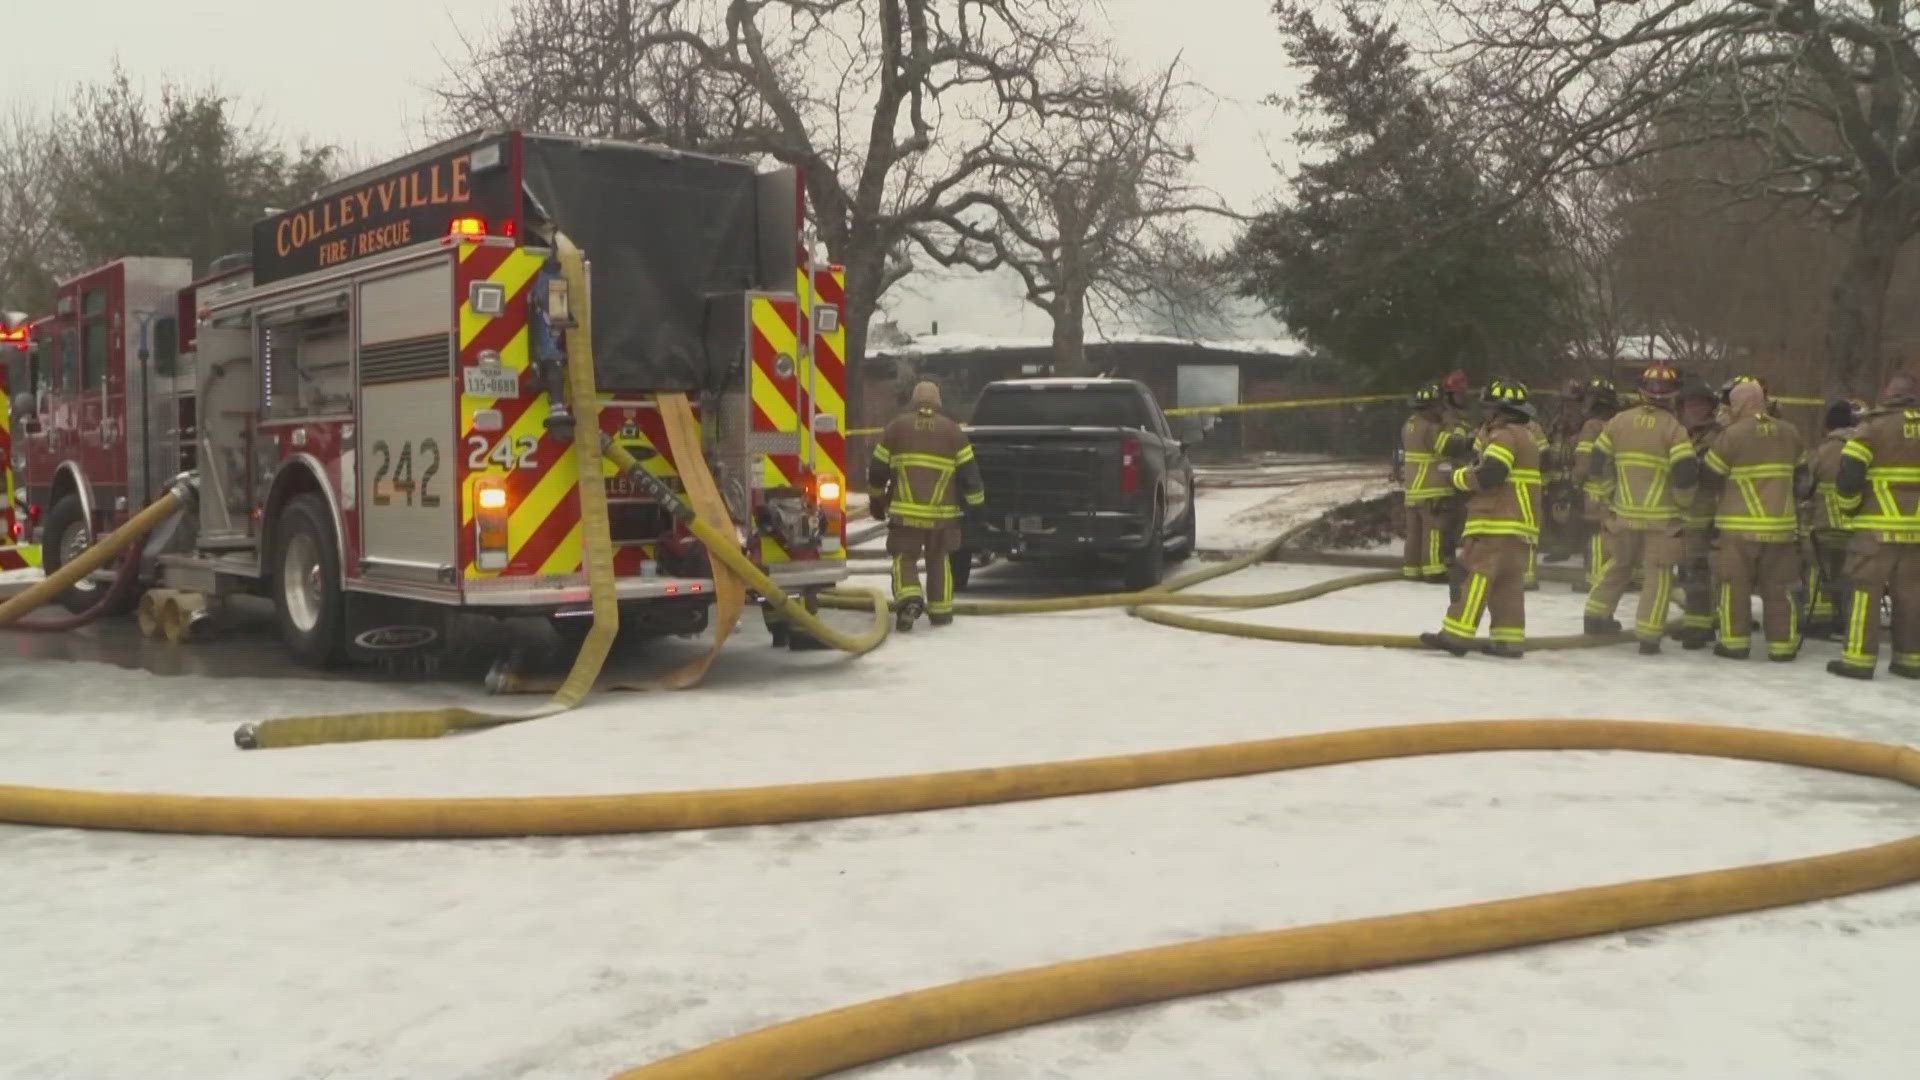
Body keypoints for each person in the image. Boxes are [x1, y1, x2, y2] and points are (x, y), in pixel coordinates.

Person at [1583, 362, 1701, 654]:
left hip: (1623, 514)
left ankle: (1595, 616)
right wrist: (1683, 505)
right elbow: (1685, 474)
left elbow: (1597, 463)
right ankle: (1648, 636)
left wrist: (1609, 496)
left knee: (1618, 565)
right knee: (1658, 575)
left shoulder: (1618, 422)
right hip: (1662, 519)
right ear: (1673, 394)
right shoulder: (1674, 430)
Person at [1421, 378, 1542, 659]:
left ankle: (1457, 635)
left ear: (1498, 410)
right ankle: (1508, 641)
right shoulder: (1528, 437)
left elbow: (1492, 474)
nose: (1486, 415)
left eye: (1488, 409)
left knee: (1475, 575)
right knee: (1508, 582)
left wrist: (1458, 478)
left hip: (1496, 520)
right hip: (1521, 525)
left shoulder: (1503, 436)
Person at [1702, 379, 1808, 661]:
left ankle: (1734, 644)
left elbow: (1709, 478)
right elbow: (1803, 479)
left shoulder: (1732, 435)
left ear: (1737, 404)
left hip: (1738, 529)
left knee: (1733, 586)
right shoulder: (1790, 433)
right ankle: (1782, 647)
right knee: (1780, 589)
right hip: (1782, 530)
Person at [868, 381, 985, 631]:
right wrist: (977, 507)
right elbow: (970, 476)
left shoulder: (896, 428)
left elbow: (877, 469)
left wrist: (876, 498)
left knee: (904, 558)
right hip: (943, 517)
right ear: (938, 402)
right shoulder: (954, 432)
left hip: (905, 515)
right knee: (939, 559)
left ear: (914, 401)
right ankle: (941, 612)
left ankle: (909, 599)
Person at [1827, 371, 1920, 680]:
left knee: (1865, 590)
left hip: (1876, 529)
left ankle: (1858, 660)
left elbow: (1850, 473)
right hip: (1917, 533)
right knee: (1911, 595)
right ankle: (1910, 660)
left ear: (1888, 395)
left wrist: (1849, 508)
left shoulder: (1873, 427)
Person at [1397, 383, 1470, 583]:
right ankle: (1434, 571)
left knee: (1414, 534)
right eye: (1439, 406)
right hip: (1432, 490)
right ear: (1429, 407)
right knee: (1434, 531)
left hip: (1413, 491)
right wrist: (1458, 427)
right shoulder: (1431, 428)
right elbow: (1450, 446)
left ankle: (1412, 569)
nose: (1442, 410)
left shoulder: (1409, 424)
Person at [1802, 400, 1861, 640]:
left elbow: (1804, 485)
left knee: (1816, 567)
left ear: (1828, 426)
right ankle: (1849, 619)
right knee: (1853, 574)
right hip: (1858, 529)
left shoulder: (1823, 451)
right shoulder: (1864, 448)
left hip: (1826, 528)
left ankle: (1819, 618)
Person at [1673, 380, 1723, 649]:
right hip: (1684, 513)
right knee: (1688, 571)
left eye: (1700, 404)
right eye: (1689, 404)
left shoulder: (1717, 435)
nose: (1694, 408)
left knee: (1699, 571)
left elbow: (1711, 472)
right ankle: (1697, 622)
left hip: (1706, 511)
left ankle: (1700, 626)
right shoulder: (1680, 433)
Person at [1570, 378, 1622, 593]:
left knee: (1595, 534)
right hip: (1618, 488)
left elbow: (1584, 459)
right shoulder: (1619, 422)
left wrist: (1575, 480)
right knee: (1615, 534)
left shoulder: (1592, 425)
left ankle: (1594, 578)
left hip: (1595, 488)